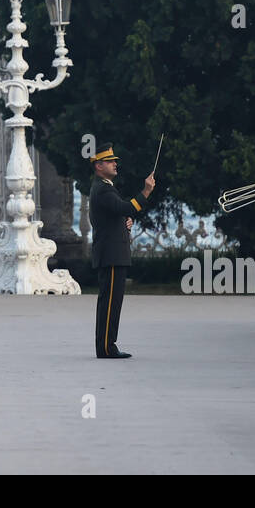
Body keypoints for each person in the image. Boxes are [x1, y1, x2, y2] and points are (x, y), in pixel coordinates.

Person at [88, 143, 156, 359]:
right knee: (110, 303)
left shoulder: (104, 187)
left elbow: (115, 214)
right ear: (99, 165)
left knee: (110, 302)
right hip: (111, 254)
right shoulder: (103, 188)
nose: (115, 164)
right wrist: (146, 191)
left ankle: (107, 346)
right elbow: (124, 207)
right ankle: (107, 348)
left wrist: (123, 222)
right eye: (110, 161)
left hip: (111, 253)